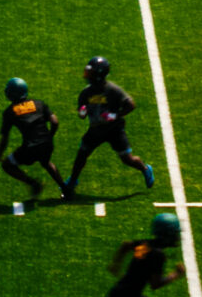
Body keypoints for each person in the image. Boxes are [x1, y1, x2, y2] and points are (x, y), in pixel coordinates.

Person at [64, 55, 155, 195]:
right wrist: (82, 112)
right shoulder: (86, 92)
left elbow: (131, 105)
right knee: (81, 155)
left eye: (91, 71)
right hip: (95, 130)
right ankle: (73, 180)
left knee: (127, 159)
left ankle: (145, 169)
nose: (87, 74)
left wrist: (116, 115)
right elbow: (81, 111)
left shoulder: (113, 90)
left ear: (99, 74)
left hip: (114, 130)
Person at [0, 76, 70, 201]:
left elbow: (5, 138)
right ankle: (65, 188)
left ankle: (34, 184)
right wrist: (49, 137)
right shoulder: (39, 103)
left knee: (7, 165)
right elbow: (55, 122)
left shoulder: (10, 112)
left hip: (30, 148)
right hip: (47, 144)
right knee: (46, 162)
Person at [106, 214, 186, 297]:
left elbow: (126, 245)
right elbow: (155, 284)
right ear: (167, 235)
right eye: (175, 233)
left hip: (120, 293)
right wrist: (176, 274)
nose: (177, 237)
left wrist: (116, 264)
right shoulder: (158, 255)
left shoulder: (145, 245)